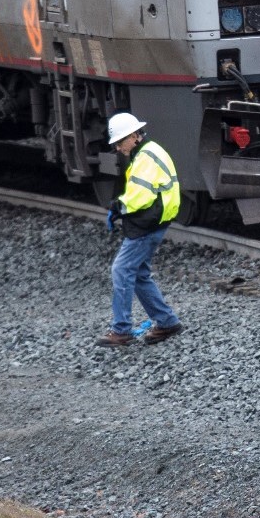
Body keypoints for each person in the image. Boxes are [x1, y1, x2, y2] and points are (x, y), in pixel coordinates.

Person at [96, 112, 184, 347]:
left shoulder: (145, 157)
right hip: (155, 220)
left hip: (147, 222)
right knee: (139, 274)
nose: (116, 148)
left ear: (134, 136)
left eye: (119, 142)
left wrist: (117, 207)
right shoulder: (148, 151)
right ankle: (166, 322)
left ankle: (121, 329)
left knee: (121, 269)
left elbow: (141, 196)